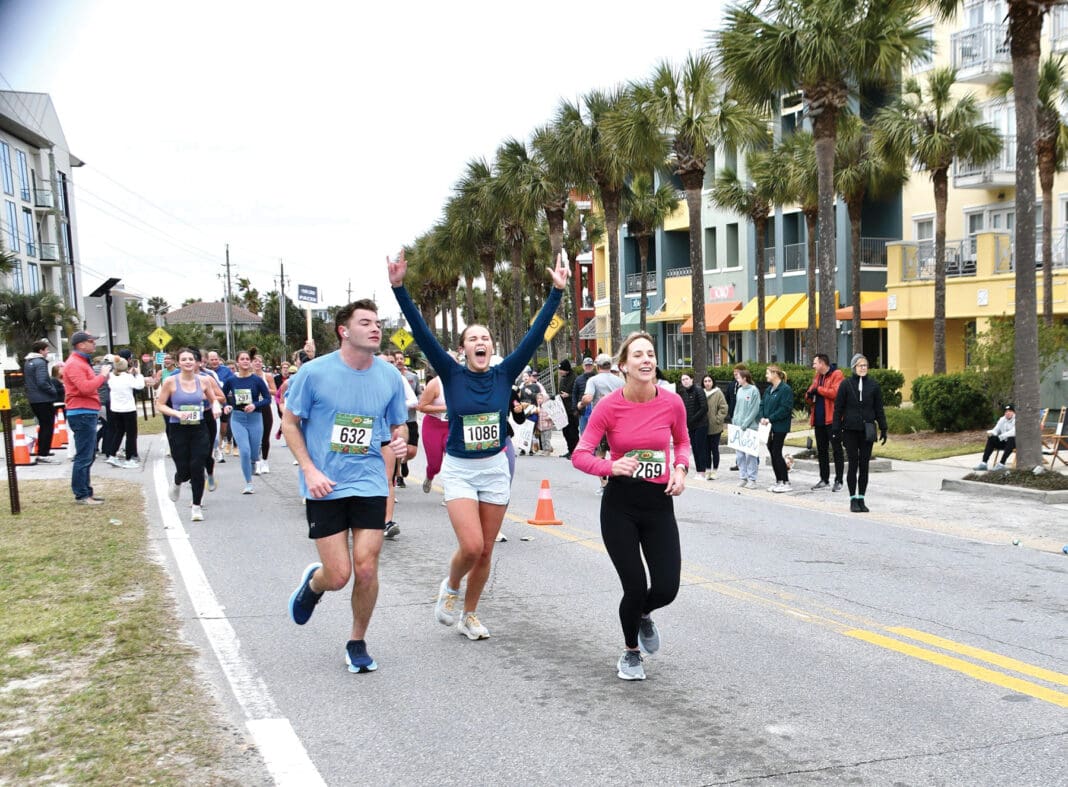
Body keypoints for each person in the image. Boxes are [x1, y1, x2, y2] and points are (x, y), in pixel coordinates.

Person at [390, 249, 568, 641]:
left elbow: (534, 336)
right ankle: (451, 587)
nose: (481, 342)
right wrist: (399, 287)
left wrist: (556, 292)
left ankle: (470, 614)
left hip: (495, 467)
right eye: (473, 339)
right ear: (463, 349)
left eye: (485, 337)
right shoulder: (451, 374)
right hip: (460, 468)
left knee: (486, 550)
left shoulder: (505, 373)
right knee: (470, 546)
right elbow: (420, 332)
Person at [283, 299, 409, 674]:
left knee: (366, 568)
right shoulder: (314, 373)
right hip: (326, 484)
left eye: (378, 323)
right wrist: (309, 470)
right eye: (365, 322)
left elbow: (396, 427)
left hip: (369, 481)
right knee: (338, 575)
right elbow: (290, 423)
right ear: (344, 331)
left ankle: (357, 641)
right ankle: (315, 585)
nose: (375, 328)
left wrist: (399, 442)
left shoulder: (389, 376)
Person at [571, 331, 690, 681]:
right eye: (637, 355)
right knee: (635, 585)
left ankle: (642, 615)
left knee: (667, 587)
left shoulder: (672, 403)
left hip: (658, 504)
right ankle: (630, 653)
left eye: (650, 354)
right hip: (620, 505)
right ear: (623, 365)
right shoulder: (608, 407)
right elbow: (580, 455)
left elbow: (681, 442)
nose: (646, 360)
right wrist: (611, 466)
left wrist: (680, 470)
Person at [156, 348, 210, 522]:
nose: (188, 362)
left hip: (199, 427)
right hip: (178, 428)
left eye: (191, 359)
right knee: (184, 469)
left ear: (196, 362)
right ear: (178, 363)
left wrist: (216, 406)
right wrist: (177, 414)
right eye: (184, 359)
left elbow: (214, 399)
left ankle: (196, 507)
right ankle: (178, 481)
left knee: (197, 465)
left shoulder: (204, 381)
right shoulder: (170, 382)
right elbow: (160, 405)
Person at [833, 353, 887, 513]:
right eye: (860, 365)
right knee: (853, 463)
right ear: (854, 367)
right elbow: (838, 408)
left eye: (865, 365)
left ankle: (861, 498)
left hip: (867, 430)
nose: (863, 368)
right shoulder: (846, 384)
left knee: (864, 465)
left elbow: (879, 408)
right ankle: (852, 499)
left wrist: (883, 427)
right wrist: (836, 428)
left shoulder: (874, 386)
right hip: (850, 430)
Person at [64, 332, 112, 504]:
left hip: (86, 411)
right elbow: (85, 388)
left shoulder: (81, 362)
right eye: (91, 342)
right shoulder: (75, 364)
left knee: (88, 454)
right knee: (84, 455)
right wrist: (102, 376)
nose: (94, 345)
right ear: (81, 345)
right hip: (81, 411)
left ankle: (86, 491)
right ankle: (82, 494)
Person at [222, 350, 272, 494]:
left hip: (255, 418)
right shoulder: (231, 380)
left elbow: (268, 398)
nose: (244, 361)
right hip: (238, 418)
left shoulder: (257, 380)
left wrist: (255, 405)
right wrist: (226, 406)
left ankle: (253, 461)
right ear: (237, 362)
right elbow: (221, 396)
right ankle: (248, 483)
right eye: (242, 359)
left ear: (250, 362)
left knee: (254, 452)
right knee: (244, 450)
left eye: (247, 359)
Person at [807, 353, 845, 492]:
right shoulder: (818, 376)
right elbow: (811, 391)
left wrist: (819, 390)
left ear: (822, 363)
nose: (813, 366)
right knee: (821, 450)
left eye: (815, 363)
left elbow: (836, 393)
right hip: (819, 420)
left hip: (832, 419)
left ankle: (839, 480)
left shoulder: (837, 374)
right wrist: (809, 395)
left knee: (836, 450)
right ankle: (824, 479)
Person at [105, 357, 146, 468]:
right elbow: (140, 385)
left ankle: (112, 454)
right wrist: (138, 374)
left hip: (115, 409)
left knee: (118, 432)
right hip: (128, 409)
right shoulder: (128, 378)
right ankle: (130, 457)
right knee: (131, 434)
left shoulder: (111, 377)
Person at [23, 338, 60, 463]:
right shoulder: (40, 362)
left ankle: (43, 450)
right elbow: (42, 382)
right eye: (46, 349)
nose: (47, 352)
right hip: (43, 398)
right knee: (47, 426)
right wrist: (54, 391)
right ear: (41, 351)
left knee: (43, 425)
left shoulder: (28, 362)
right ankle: (43, 453)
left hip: (34, 399)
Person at [759, 365, 794, 492]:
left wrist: (770, 418)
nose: (766, 375)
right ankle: (778, 480)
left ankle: (786, 481)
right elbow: (762, 404)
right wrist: (762, 416)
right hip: (767, 426)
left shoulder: (785, 389)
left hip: (780, 426)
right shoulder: (769, 389)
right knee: (772, 451)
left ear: (775, 374)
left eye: (768, 373)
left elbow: (785, 409)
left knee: (776, 451)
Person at [392, 350, 422, 487]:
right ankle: (398, 476)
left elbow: (418, 396)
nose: (399, 361)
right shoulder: (388, 377)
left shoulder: (411, 377)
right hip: (397, 421)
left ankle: (404, 462)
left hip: (410, 419)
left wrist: (418, 403)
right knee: (397, 450)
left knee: (411, 451)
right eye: (395, 359)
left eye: (400, 358)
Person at [416, 372, 448, 493]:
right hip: (433, 425)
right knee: (435, 464)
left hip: (453, 426)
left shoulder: (462, 381)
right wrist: (445, 408)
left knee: (453, 461)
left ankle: (450, 492)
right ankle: (429, 476)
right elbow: (422, 407)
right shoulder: (435, 384)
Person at [731, 366, 761, 489]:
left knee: (750, 455)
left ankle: (752, 479)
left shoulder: (753, 390)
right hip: (738, 426)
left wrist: (746, 423)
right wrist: (734, 419)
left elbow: (755, 408)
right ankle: (743, 477)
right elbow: (737, 407)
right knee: (740, 455)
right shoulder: (739, 390)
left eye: (738, 377)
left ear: (745, 378)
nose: (737, 379)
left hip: (750, 427)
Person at [251, 351, 277, 475]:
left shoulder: (267, 376)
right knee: (255, 437)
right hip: (252, 408)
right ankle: (256, 462)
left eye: (260, 361)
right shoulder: (248, 376)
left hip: (265, 407)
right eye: (255, 361)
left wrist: (263, 388)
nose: (257, 363)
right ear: (251, 363)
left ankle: (265, 461)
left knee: (265, 436)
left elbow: (275, 391)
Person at [678, 373, 709, 477]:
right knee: (694, 448)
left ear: (691, 380)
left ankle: (703, 472)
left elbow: (704, 408)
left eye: (687, 379)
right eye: (683, 380)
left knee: (700, 448)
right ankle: (698, 471)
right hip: (691, 426)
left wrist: (692, 419)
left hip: (701, 424)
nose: (685, 381)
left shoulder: (698, 390)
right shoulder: (684, 393)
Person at [974, 404, 1016, 471]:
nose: (1007, 413)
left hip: (1014, 443)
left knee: (1012, 438)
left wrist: (1002, 436)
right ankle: (984, 463)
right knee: (991, 438)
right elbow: (996, 430)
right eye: (1006, 411)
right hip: (1004, 442)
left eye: (1010, 411)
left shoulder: (1017, 420)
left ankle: (1002, 464)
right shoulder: (1002, 419)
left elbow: (1014, 432)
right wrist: (991, 433)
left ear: (1013, 412)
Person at [703, 375, 728, 480]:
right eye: (705, 381)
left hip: (715, 427)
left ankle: (715, 470)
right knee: (706, 450)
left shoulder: (718, 393)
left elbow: (724, 408)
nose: (707, 383)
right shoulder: (701, 392)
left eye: (709, 381)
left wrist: (718, 419)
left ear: (713, 382)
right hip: (703, 426)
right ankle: (707, 469)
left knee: (714, 449)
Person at [556, 359, 578, 458]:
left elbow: (578, 394)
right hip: (563, 410)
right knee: (565, 432)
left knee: (573, 432)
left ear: (567, 370)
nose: (560, 372)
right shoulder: (563, 378)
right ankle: (570, 450)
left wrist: (568, 395)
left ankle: (575, 452)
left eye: (561, 370)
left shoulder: (574, 378)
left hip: (571, 410)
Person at [572, 356, 596, 434]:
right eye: (586, 365)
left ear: (593, 366)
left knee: (595, 434)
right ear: (583, 366)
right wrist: (575, 408)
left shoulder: (597, 378)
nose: (588, 367)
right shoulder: (578, 379)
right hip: (583, 411)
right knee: (583, 433)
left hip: (595, 411)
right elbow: (574, 394)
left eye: (590, 365)